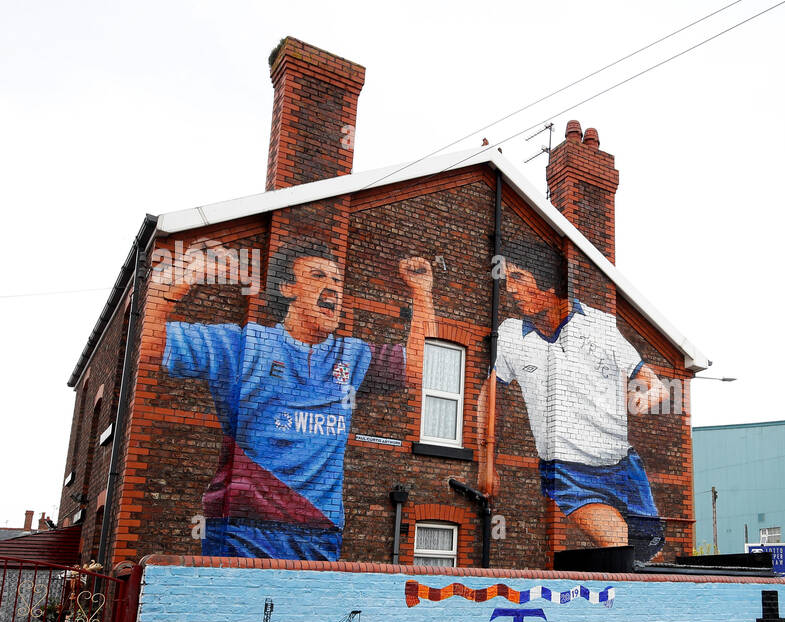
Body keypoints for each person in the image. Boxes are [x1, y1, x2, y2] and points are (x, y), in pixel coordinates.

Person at [159, 238, 430, 560]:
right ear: (287, 287)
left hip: (320, 528)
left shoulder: (353, 354)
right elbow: (151, 347)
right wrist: (170, 289)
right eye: (318, 276)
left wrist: (421, 293)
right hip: (243, 526)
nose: (332, 287)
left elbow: (418, 369)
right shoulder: (245, 343)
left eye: (336, 281)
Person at [476, 261, 669, 562]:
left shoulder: (601, 325)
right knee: (620, 546)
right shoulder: (511, 335)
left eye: (519, 277)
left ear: (550, 286)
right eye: (508, 279)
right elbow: (490, 394)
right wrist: (486, 461)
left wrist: (646, 397)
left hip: (624, 468)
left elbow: (655, 384)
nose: (510, 288)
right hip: (568, 474)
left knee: (648, 553)